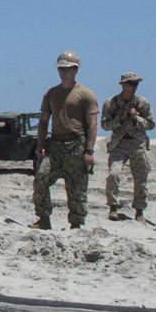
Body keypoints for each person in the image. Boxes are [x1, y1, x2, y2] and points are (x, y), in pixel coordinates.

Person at [30, 51, 99, 230]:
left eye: (67, 69)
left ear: (75, 70)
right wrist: (40, 145)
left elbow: (92, 124)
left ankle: (76, 224)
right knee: (41, 179)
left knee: (76, 188)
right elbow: (44, 121)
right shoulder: (51, 93)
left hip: (76, 145)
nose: (63, 72)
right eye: (60, 69)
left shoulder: (85, 94)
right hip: (56, 145)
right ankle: (43, 219)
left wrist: (89, 150)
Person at [100, 72, 155, 222]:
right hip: (119, 143)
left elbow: (151, 124)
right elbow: (105, 125)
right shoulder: (111, 103)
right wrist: (120, 119)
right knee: (114, 174)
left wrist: (136, 118)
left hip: (137, 143)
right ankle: (113, 208)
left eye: (136, 84)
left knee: (141, 178)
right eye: (131, 84)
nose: (134, 87)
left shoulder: (142, 103)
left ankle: (139, 211)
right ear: (123, 85)